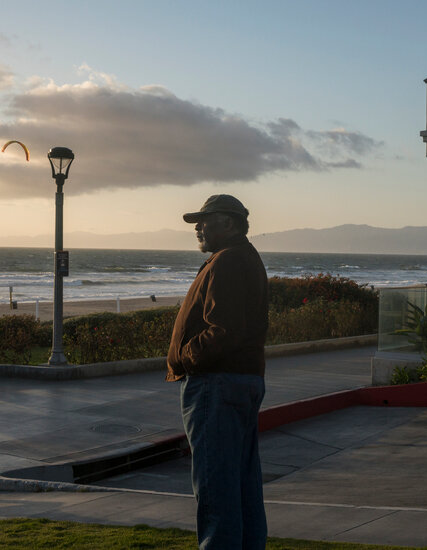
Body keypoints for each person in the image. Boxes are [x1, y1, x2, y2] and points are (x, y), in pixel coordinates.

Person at [167, 194, 269, 549]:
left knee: (216, 493)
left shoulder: (227, 261)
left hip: (216, 383)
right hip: (238, 381)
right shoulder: (243, 258)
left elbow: (223, 329)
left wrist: (185, 358)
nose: (198, 227)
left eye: (204, 220)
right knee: (241, 490)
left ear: (228, 222)